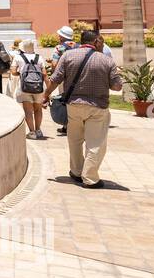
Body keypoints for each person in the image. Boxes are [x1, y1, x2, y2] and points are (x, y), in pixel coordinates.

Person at [44, 29, 123, 189]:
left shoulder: (67, 56)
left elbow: (55, 79)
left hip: (73, 106)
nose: (102, 44)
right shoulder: (106, 61)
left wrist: (46, 95)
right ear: (95, 42)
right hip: (97, 107)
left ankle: (76, 171)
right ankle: (90, 177)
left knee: (75, 140)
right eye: (101, 41)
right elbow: (117, 86)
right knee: (95, 143)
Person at [12, 38, 47, 139]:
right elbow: (44, 73)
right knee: (38, 109)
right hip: (38, 87)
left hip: (24, 86)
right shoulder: (39, 57)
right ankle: (38, 130)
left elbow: (13, 71)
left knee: (27, 110)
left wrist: (21, 74)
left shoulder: (18, 57)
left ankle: (32, 132)